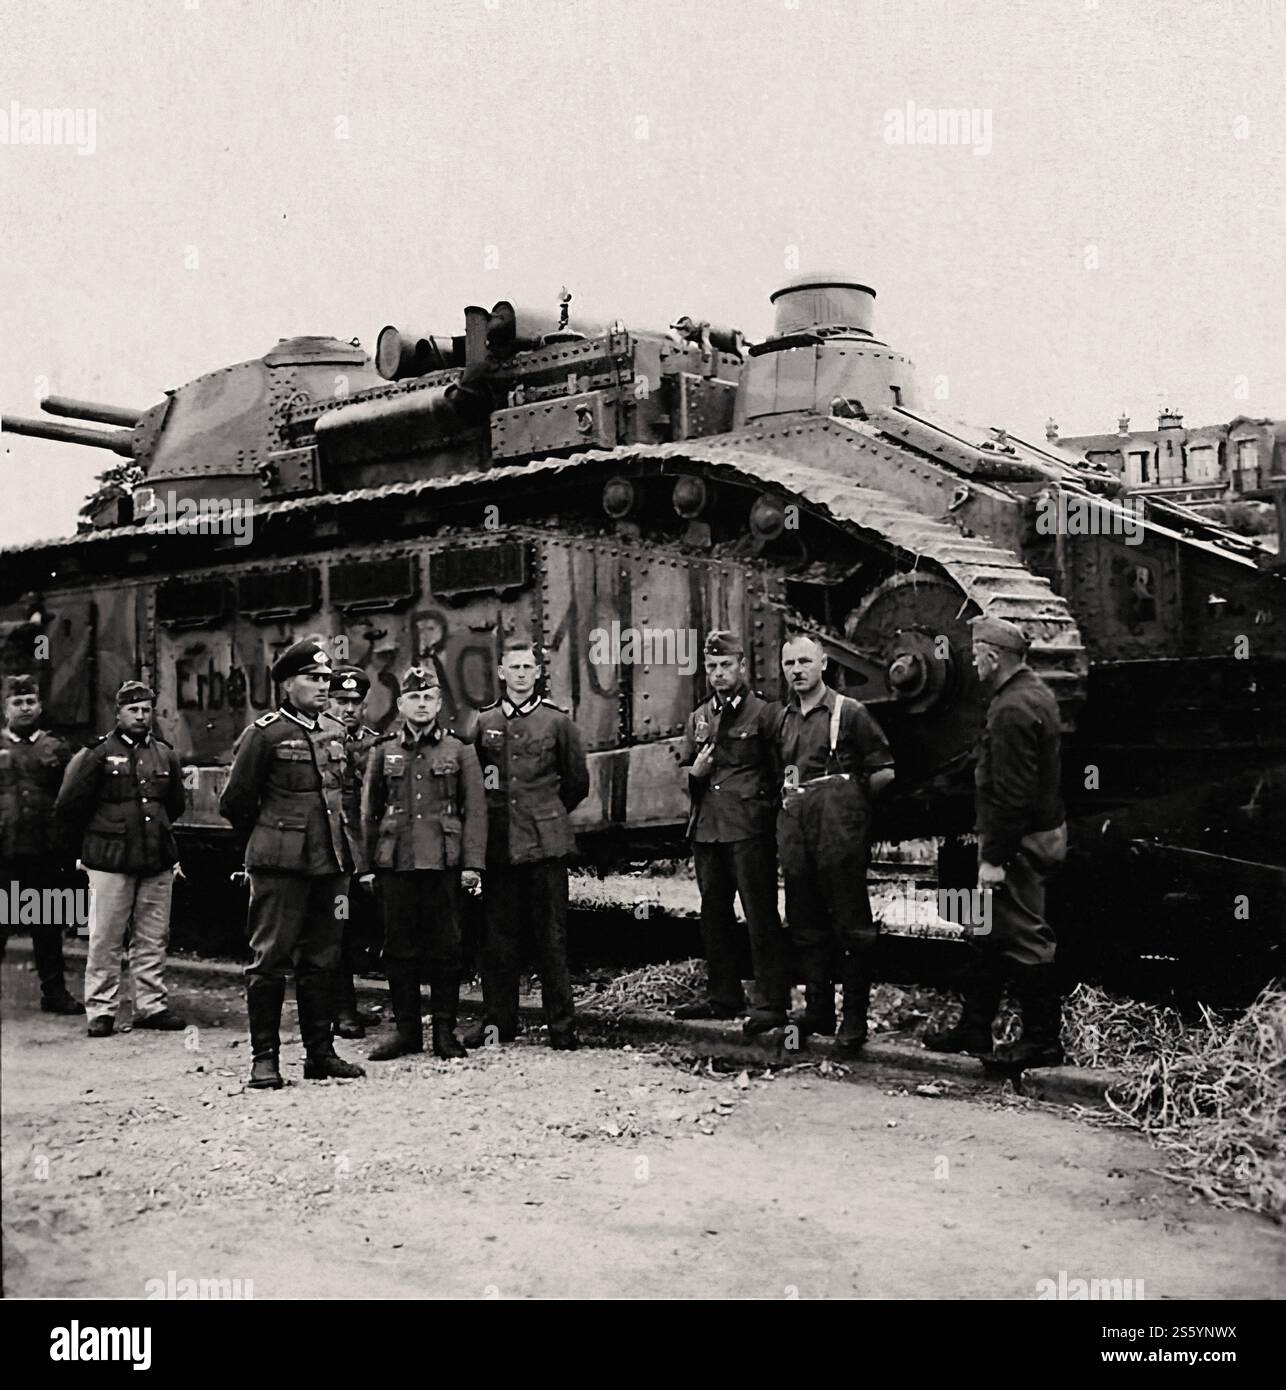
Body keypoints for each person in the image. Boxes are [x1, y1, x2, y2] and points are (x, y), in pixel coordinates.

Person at [219, 637, 365, 1089]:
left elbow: (343, 793)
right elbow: (235, 801)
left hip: (330, 859)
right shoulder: (264, 733)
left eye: (326, 678)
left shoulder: (334, 731)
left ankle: (320, 1053)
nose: (324, 686)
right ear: (287, 684)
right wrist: (269, 841)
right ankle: (265, 1060)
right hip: (280, 864)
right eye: (313, 678)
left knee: (322, 958)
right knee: (269, 959)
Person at [923, 616, 1067, 1067]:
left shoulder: (1011, 708)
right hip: (1028, 833)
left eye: (974, 652)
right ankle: (974, 1028)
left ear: (992, 655)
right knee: (984, 930)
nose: (970, 660)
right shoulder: (1029, 694)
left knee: (1024, 935)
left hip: (1018, 841)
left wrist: (995, 859)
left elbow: (1012, 794)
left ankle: (1042, 1042)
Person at [463, 639, 589, 1051]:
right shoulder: (484, 723)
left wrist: (545, 813)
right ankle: (500, 1023)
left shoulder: (557, 722)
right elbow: (477, 783)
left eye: (527, 668)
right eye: (513, 667)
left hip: (545, 845)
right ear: (501, 673)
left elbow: (575, 783)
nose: (520, 674)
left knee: (551, 939)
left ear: (537, 674)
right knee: (498, 941)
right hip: (500, 846)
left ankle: (562, 1028)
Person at [776, 633, 895, 1056]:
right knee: (805, 926)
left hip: (838, 835)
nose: (798, 671)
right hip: (798, 832)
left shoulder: (851, 713)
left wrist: (848, 810)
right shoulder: (785, 718)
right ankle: (818, 1011)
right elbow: (785, 774)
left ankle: (854, 1020)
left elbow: (883, 772)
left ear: (823, 663)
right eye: (790, 664)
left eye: (805, 662)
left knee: (852, 927)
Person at [360, 665, 485, 1061]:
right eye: (413, 697)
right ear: (400, 704)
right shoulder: (383, 751)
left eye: (428, 697)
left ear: (439, 703)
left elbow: (476, 811)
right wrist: (365, 866)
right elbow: (369, 813)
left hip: (443, 862)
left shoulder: (460, 750)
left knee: (446, 949)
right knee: (399, 949)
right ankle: (407, 1032)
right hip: (397, 862)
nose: (421, 704)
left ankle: (444, 1033)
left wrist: (472, 864)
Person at [54, 681, 187, 1037]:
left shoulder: (165, 755)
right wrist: (97, 839)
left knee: (152, 936)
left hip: (156, 858)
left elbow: (174, 805)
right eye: (134, 710)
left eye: (146, 710)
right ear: (118, 713)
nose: (141, 716)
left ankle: (151, 1005)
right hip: (110, 860)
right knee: (106, 937)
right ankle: (101, 1010)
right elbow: (69, 804)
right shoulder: (97, 754)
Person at [676, 631, 789, 1036]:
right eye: (712, 667)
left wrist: (766, 816)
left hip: (748, 830)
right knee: (714, 915)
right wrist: (695, 774)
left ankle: (771, 1002)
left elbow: (780, 775)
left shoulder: (765, 714)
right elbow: (686, 773)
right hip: (707, 830)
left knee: (760, 916)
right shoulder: (700, 717)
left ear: (742, 666)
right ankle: (723, 996)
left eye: (726, 665)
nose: (719, 673)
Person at [0, 674, 82, 1014]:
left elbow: (73, 798)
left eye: (30, 702)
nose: (24, 708)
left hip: (45, 853)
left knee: (48, 926)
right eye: (17, 703)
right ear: (5, 708)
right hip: (3, 853)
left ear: (40, 706)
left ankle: (54, 992)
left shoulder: (57, 748)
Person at [326, 662, 381, 1039]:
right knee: (335, 933)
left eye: (355, 702)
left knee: (365, 929)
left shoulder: (376, 744)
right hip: (332, 855)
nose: (348, 709)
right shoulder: (317, 740)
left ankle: (353, 1006)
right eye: (340, 700)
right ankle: (341, 1010)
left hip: (367, 854)